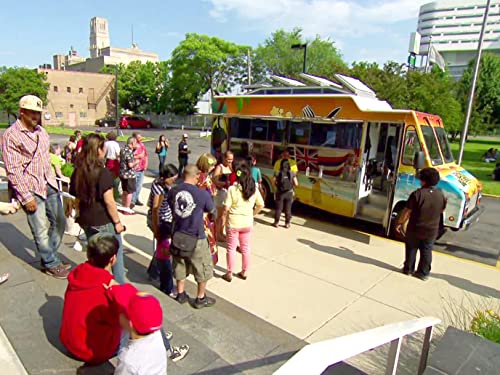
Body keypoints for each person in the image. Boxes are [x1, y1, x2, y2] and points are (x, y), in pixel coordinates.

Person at [1, 95, 69, 279]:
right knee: (39, 229)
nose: (36, 116)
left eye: (38, 113)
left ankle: (49, 255)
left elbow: (45, 158)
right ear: (22, 112)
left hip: (49, 182)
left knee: (61, 221)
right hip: (30, 188)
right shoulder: (11, 136)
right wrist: (25, 197)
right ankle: (50, 262)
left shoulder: (41, 132)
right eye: (32, 113)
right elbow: (13, 170)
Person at [60, 233, 124, 364]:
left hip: (69, 342)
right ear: (113, 259)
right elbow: (117, 320)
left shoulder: (78, 273)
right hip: (91, 352)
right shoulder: (107, 289)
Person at [70, 133, 126, 284]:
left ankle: (99, 286)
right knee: (115, 259)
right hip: (104, 222)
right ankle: (120, 292)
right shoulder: (103, 173)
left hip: (87, 220)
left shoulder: (78, 171)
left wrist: (79, 215)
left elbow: (77, 199)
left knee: (97, 259)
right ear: (98, 150)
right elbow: (109, 202)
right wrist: (117, 223)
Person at [168, 165, 216, 309]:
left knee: (179, 264)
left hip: (177, 233)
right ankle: (200, 298)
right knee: (202, 267)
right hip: (196, 236)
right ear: (196, 176)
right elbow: (212, 212)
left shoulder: (173, 191)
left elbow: (171, 207)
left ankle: (180, 293)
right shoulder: (202, 194)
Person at [395, 167, 447, 281]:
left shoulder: (417, 194)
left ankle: (408, 269)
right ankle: (423, 273)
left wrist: (400, 223)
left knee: (411, 248)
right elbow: (442, 209)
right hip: (432, 229)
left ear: (424, 180)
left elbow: (407, 211)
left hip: (415, 228)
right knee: (427, 250)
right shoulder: (441, 195)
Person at [221, 163, 264, 282]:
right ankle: (244, 271)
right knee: (245, 248)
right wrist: (253, 213)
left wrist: (223, 221)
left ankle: (229, 272)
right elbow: (261, 204)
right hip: (247, 222)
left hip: (233, 223)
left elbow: (226, 208)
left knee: (231, 248)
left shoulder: (232, 189)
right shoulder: (253, 189)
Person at [146, 164, 178, 295]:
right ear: (166, 177)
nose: (174, 181)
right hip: (161, 223)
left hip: (166, 220)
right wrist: (156, 228)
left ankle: (153, 271)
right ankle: (166, 285)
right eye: (173, 179)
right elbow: (155, 209)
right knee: (165, 254)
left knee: (161, 250)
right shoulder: (159, 189)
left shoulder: (160, 183)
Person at [196, 153, 219, 265]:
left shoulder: (196, 176)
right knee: (208, 239)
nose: (214, 167)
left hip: (195, 212)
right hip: (205, 214)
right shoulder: (205, 179)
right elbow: (213, 192)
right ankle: (208, 261)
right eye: (212, 165)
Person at [213, 151, 234, 240]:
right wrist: (224, 183)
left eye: (231, 160)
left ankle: (221, 232)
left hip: (228, 192)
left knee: (225, 215)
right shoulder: (219, 167)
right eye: (228, 159)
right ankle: (217, 234)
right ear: (224, 158)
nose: (230, 161)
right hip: (220, 193)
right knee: (220, 215)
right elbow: (214, 180)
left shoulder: (230, 167)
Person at [272, 159, 299, 228]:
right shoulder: (292, 172)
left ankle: (276, 222)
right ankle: (287, 223)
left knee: (279, 208)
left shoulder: (278, 172)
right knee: (288, 208)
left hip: (280, 192)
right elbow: (296, 184)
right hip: (289, 192)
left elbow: (273, 182)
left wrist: (278, 186)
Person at [120, 137, 139, 211]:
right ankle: (127, 208)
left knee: (124, 191)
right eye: (135, 142)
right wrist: (136, 162)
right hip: (129, 175)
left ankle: (123, 206)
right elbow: (130, 165)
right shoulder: (129, 152)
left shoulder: (123, 150)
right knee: (129, 192)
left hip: (122, 173)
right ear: (132, 143)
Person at [132, 132, 148, 207]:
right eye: (139, 137)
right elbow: (128, 156)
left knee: (139, 185)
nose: (140, 138)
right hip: (135, 168)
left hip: (141, 168)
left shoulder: (142, 145)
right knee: (134, 185)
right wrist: (138, 156)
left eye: (141, 137)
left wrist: (146, 164)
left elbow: (146, 155)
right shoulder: (133, 146)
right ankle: (132, 200)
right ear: (135, 138)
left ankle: (136, 199)